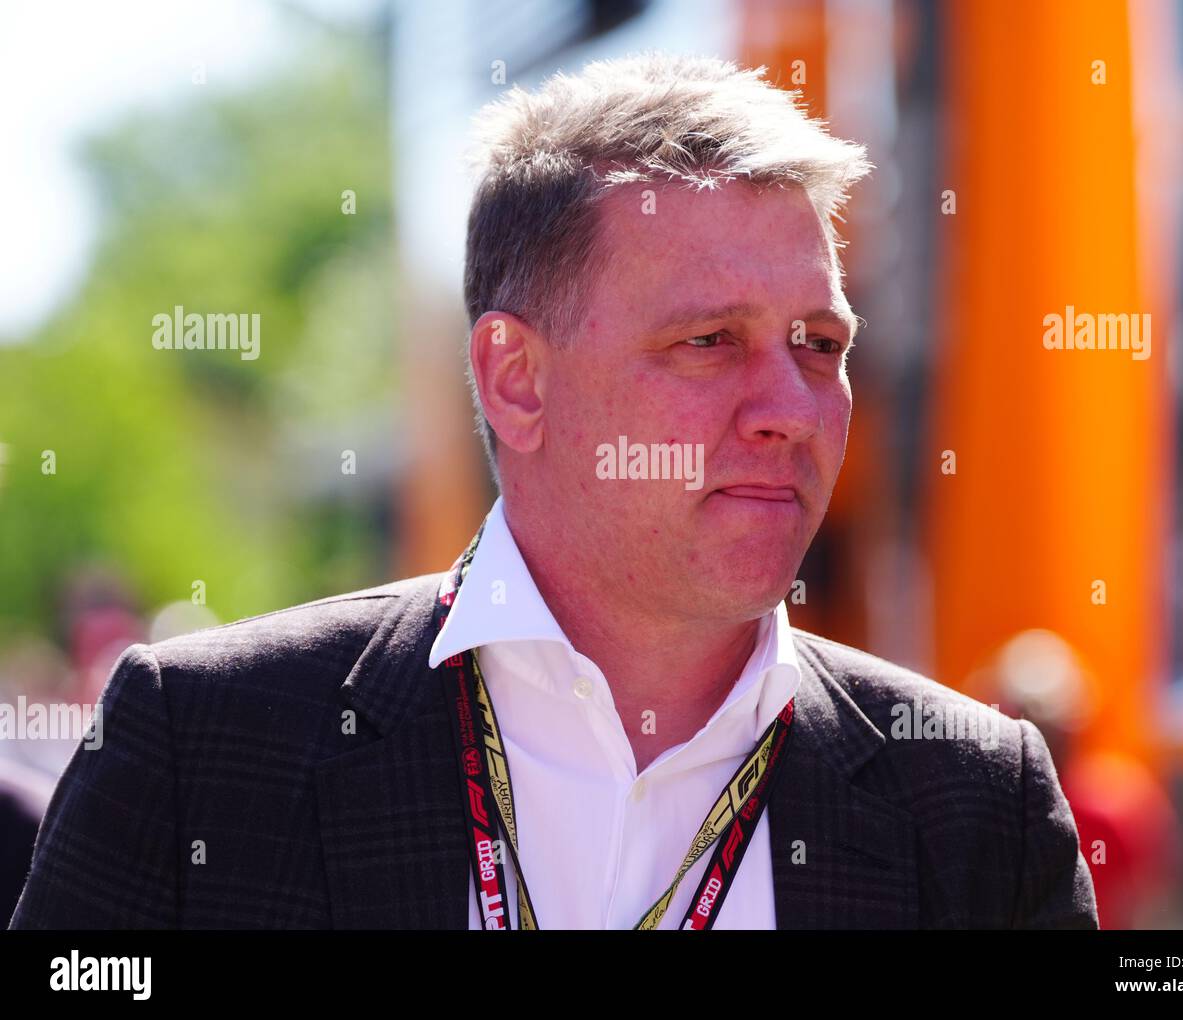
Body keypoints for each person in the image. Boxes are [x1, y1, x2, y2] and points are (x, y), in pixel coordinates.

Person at [9, 52, 1096, 930]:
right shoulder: (202, 746)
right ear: (516, 380)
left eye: (819, 343)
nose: (792, 409)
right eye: (709, 342)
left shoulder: (972, 804)